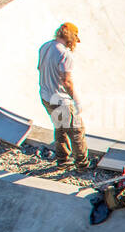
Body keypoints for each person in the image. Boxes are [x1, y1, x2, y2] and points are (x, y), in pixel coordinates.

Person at [38, 23, 89, 170]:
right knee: (77, 130)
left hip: (46, 96)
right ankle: (82, 164)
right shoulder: (65, 55)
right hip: (61, 99)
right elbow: (66, 81)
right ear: (71, 37)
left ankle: (62, 159)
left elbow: (39, 68)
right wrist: (76, 100)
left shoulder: (45, 47)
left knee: (59, 127)